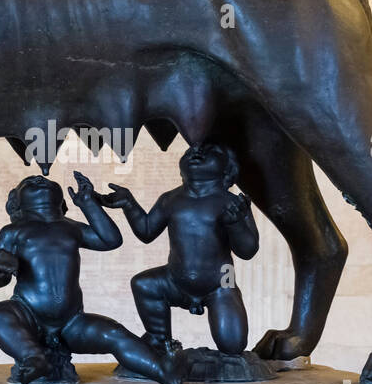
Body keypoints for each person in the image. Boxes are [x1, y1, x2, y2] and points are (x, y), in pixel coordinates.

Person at [0, 172, 182, 384]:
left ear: (62, 202)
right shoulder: (12, 232)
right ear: (16, 202)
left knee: (115, 334)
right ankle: (33, 357)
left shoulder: (71, 227)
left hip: (72, 322)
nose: (39, 179)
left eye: (45, 180)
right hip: (27, 313)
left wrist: (88, 203)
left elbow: (110, 240)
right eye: (29, 182)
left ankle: (163, 373)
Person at [101, 143, 260, 356]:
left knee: (233, 347)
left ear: (227, 168)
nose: (196, 152)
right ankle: (159, 340)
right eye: (190, 151)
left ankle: (226, 329)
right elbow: (147, 231)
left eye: (211, 150)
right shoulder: (171, 199)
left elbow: (247, 251)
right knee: (144, 284)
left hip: (222, 281)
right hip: (175, 278)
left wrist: (236, 223)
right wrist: (129, 204)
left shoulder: (232, 203)